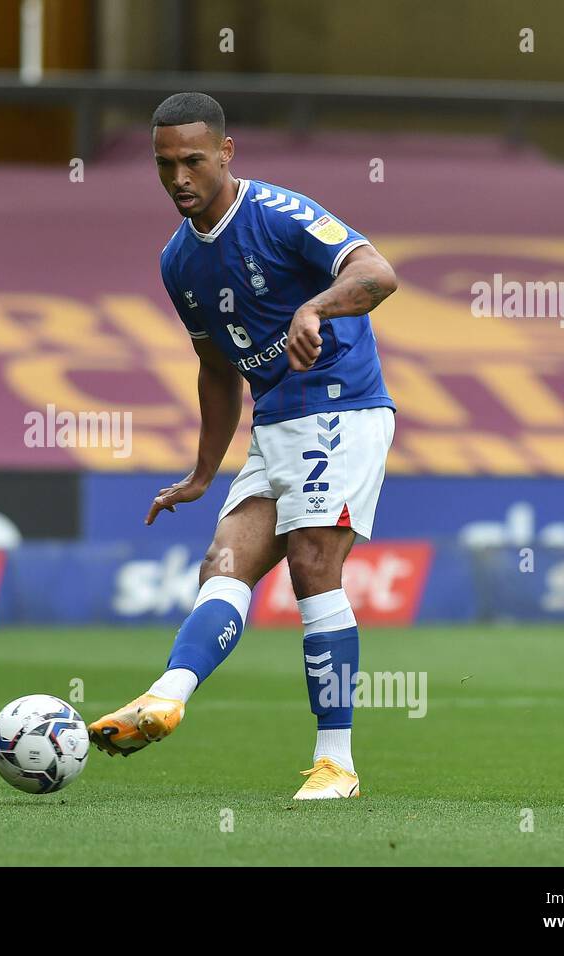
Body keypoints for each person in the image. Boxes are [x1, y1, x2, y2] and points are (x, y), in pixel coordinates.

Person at [88, 92, 399, 801]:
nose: (179, 178)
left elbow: (379, 274)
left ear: (226, 153)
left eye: (193, 160)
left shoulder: (281, 215)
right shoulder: (178, 263)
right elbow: (216, 369)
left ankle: (336, 764)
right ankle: (165, 697)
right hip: (276, 425)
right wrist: (202, 471)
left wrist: (315, 305)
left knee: (313, 563)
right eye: (165, 164)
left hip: (343, 406)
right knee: (222, 564)